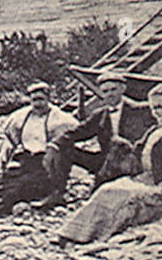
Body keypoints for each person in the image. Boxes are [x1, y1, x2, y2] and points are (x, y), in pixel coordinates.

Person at [58, 83, 162, 243]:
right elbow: (137, 152)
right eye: (153, 108)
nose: (155, 112)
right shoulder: (155, 129)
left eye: (160, 107)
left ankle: (97, 237)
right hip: (146, 178)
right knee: (108, 189)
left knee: (121, 196)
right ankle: (75, 234)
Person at [42, 72, 154, 208]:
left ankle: (101, 187)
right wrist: (55, 143)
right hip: (104, 161)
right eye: (106, 91)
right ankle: (58, 193)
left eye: (113, 89)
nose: (110, 94)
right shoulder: (100, 114)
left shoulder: (140, 110)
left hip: (130, 161)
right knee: (64, 148)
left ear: (122, 89)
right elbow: (78, 132)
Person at [0, 82, 77, 221]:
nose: (37, 104)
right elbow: (10, 142)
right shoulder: (21, 117)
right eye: (34, 100)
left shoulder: (59, 119)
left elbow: (64, 148)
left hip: (47, 163)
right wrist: (0, 163)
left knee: (24, 185)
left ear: (48, 99)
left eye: (41, 99)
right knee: (7, 179)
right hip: (27, 158)